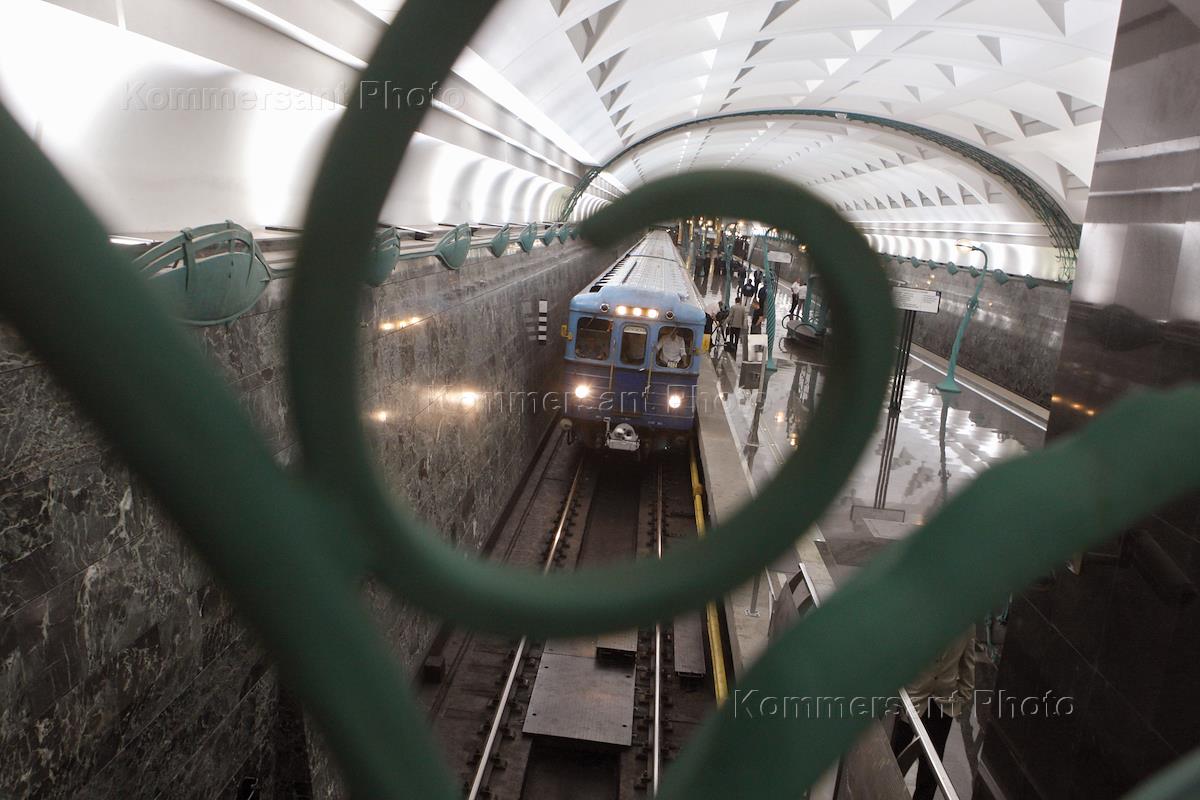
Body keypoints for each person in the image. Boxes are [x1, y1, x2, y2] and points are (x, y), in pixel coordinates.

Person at [891, 629, 976, 800]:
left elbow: (968, 665)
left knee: (930, 771)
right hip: (910, 700)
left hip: (942, 706)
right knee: (892, 760)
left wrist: (962, 699)